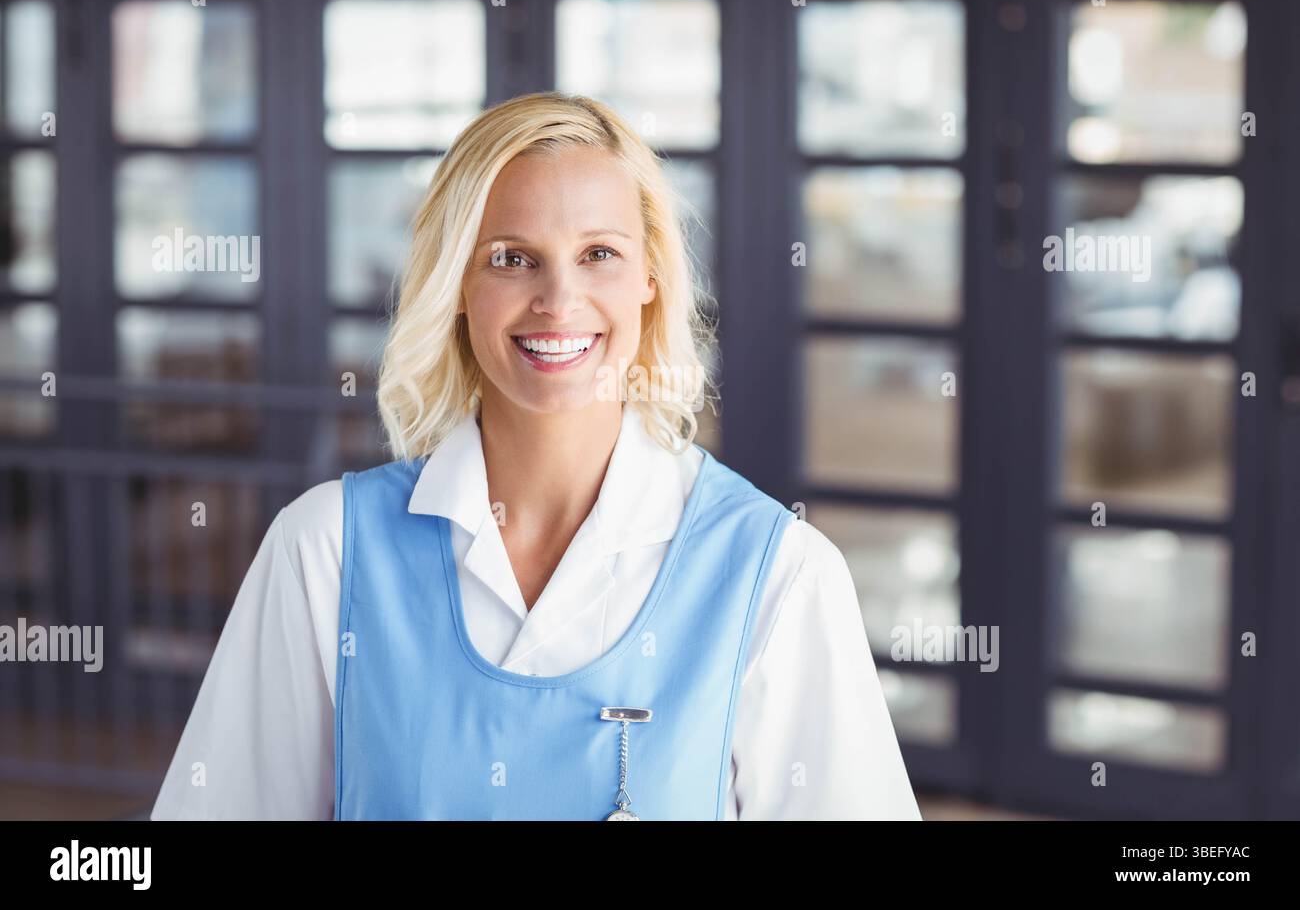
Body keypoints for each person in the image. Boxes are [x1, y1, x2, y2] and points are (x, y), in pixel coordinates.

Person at [151, 92, 921, 821]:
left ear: (650, 276)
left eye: (598, 254)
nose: (558, 300)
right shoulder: (325, 553)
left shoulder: (779, 574)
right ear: (454, 280)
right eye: (512, 258)